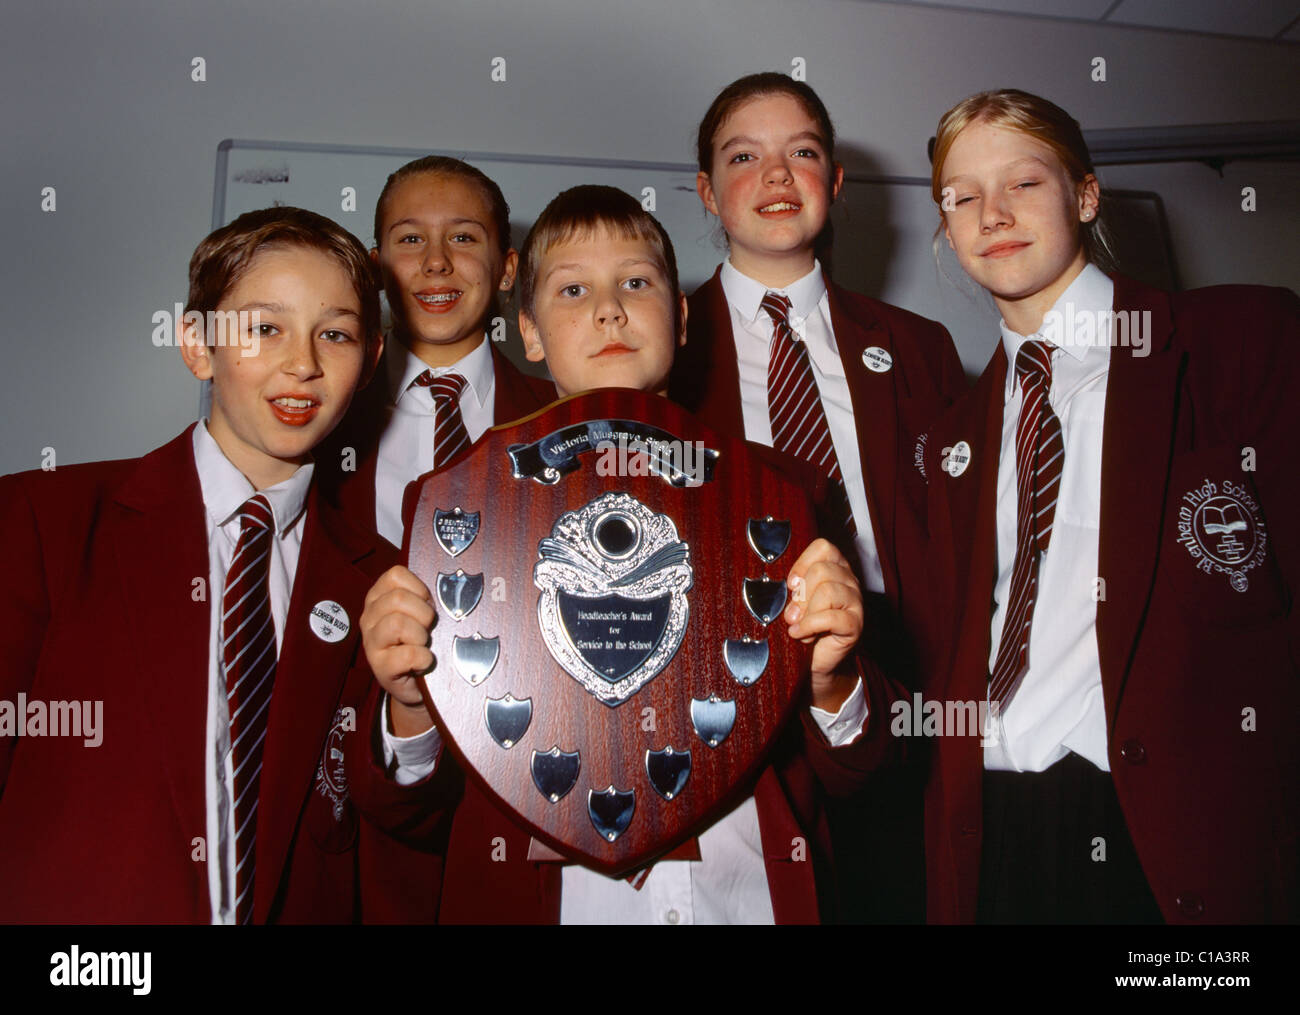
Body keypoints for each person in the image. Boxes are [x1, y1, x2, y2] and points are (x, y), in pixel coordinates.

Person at [351, 186, 908, 924]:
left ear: (680, 317)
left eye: (637, 282)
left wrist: (835, 682)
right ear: (529, 331)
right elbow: (405, 812)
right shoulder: (452, 503)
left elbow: (874, 775)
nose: (609, 308)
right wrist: (411, 703)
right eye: (573, 288)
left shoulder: (782, 492)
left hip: (741, 898)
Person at [920, 88, 1298, 923]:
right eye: (962, 196)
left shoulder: (1238, 342)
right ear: (945, 228)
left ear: (1085, 196)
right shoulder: (951, 442)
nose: (992, 213)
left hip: (1169, 830)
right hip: (995, 833)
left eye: (1023, 182)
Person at [0, 207, 399, 923]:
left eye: (333, 333)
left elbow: (390, 817)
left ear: (369, 361)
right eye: (264, 327)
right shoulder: (44, 522)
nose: (302, 362)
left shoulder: (377, 577)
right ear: (197, 344)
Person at [670, 72, 966, 920]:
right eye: (743, 156)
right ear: (706, 191)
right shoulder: (665, 354)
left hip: (903, 700)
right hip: (733, 716)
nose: (774, 176)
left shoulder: (920, 347)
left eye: (801, 152)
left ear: (834, 184)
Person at [320, 156, 553, 548]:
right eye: (411, 239)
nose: (436, 263)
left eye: (463, 238)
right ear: (376, 268)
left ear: (506, 269)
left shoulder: (557, 416)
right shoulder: (320, 414)